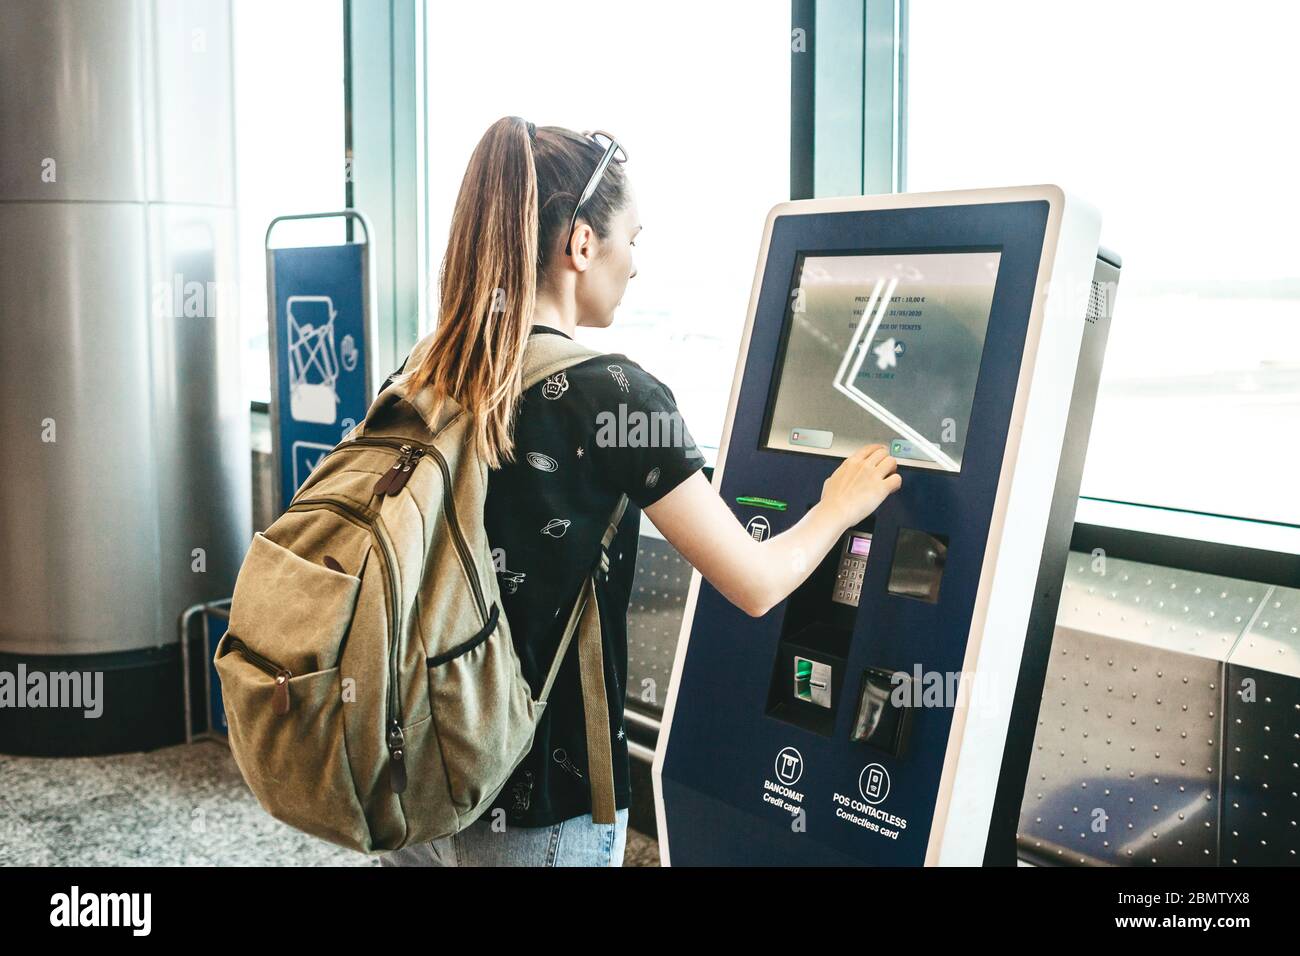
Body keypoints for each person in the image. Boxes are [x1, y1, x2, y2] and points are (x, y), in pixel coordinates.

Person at [379, 117, 901, 867]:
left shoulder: (423, 373)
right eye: (632, 237)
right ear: (582, 245)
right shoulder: (613, 393)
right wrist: (838, 505)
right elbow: (755, 585)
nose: (635, 264)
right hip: (539, 801)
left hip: (416, 772)